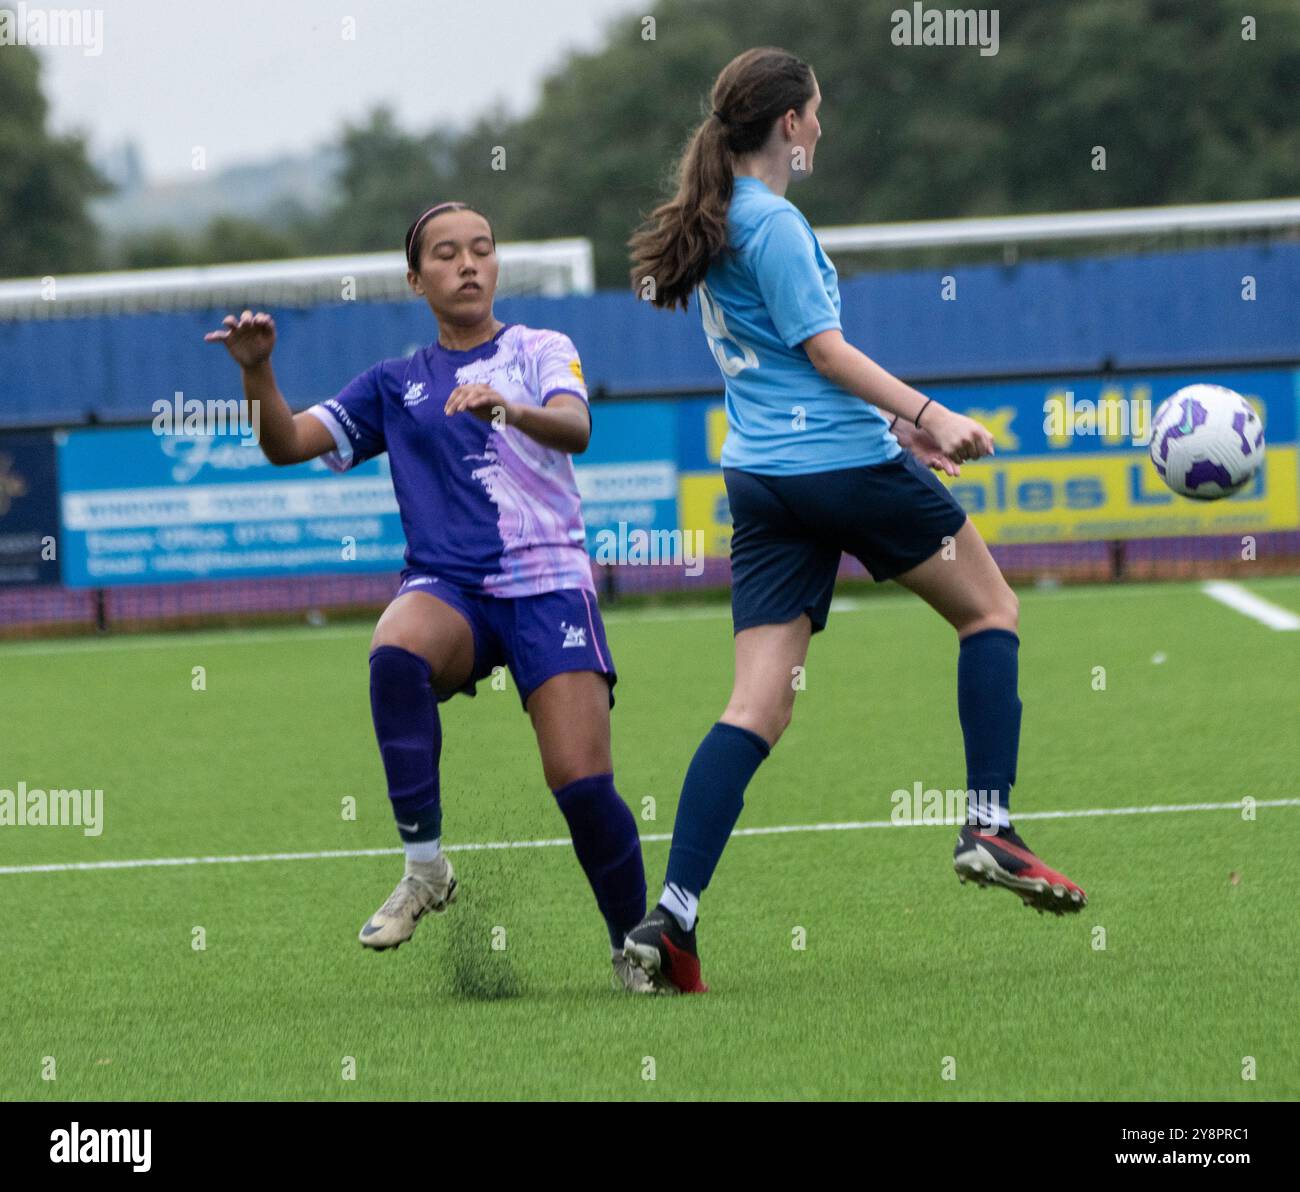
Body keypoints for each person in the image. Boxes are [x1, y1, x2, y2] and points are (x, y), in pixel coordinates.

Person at [622, 48, 1087, 994]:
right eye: (818, 111)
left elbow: (790, 366)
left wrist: (892, 430)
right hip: (837, 469)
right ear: (790, 122)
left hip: (761, 481)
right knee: (991, 611)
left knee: (756, 704)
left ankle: (671, 919)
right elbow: (827, 354)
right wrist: (928, 416)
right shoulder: (774, 223)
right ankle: (989, 825)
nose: (822, 126)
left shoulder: (716, 225)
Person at [205, 201, 652, 992]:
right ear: (416, 280)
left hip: (548, 586)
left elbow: (576, 427)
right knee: (393, 651)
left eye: (481, 249)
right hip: (450, 588)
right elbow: (286, 445)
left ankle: (634, 950)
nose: (469, 264)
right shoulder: (395, 383)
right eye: (446, 255)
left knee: (583, 787)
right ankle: (425, 868)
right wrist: (256, 373)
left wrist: (507, 407)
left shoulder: (540, 348)